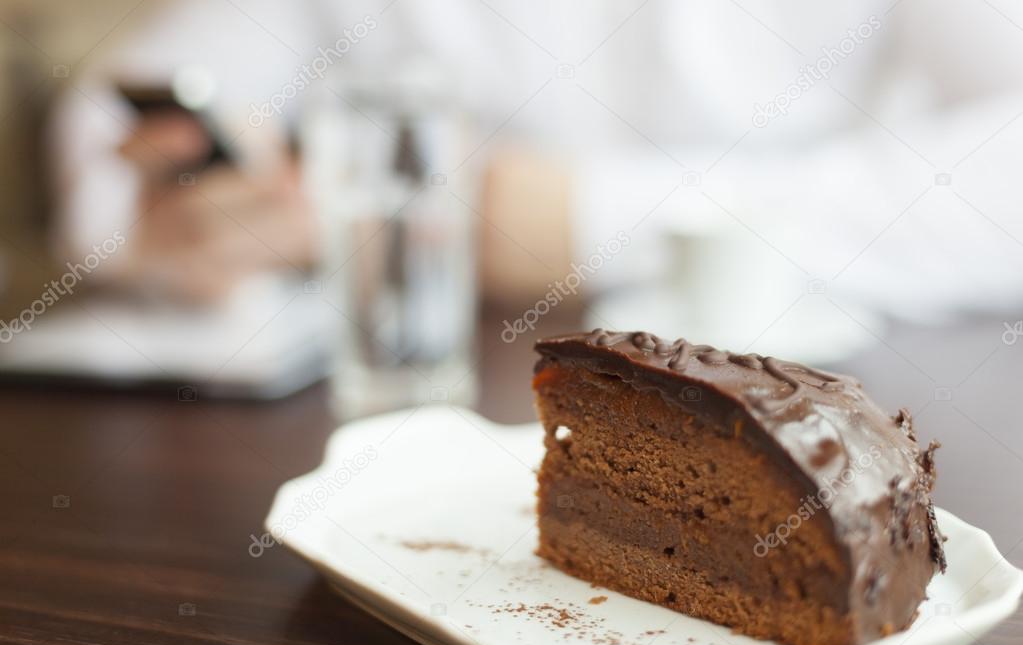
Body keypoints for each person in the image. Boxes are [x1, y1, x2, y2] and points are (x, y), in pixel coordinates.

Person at [49, 0, 1023, 317]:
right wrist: (160, 215)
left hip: (801, 361)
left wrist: (599, 219)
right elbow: (122, 107)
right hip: (420, 396)